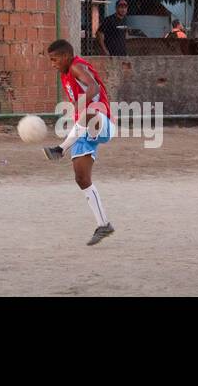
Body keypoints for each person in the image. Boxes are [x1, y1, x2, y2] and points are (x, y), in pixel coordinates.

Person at [42, 39, 116, 246]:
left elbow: (93, 86)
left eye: (55, 59)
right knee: (81, 177)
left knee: (90, 112)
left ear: (66, 56)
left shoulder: (76, 66)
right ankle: (104, 225)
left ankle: (60, 149)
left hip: (101, 122)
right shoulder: (66, 73)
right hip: (82, 130)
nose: (53, 63)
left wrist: (78, 104)